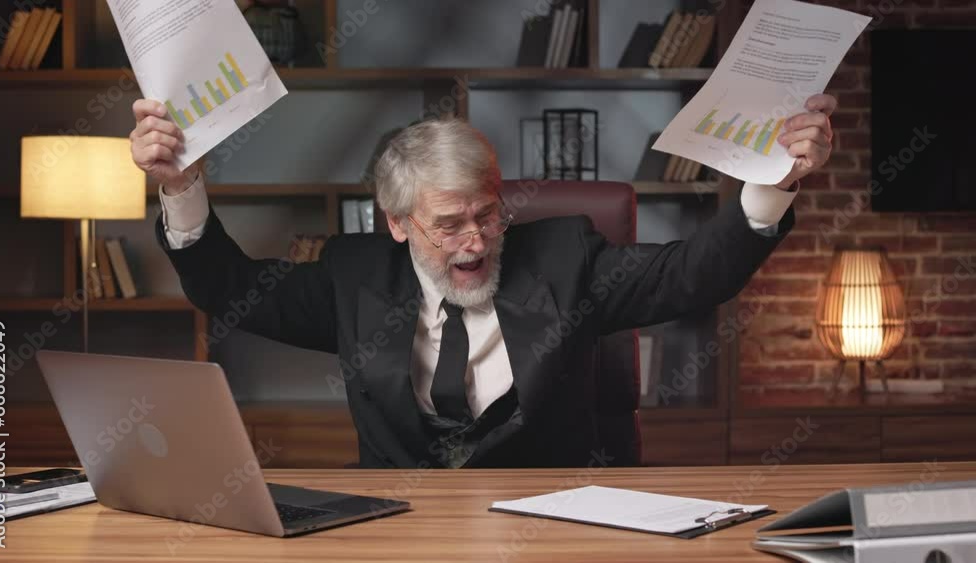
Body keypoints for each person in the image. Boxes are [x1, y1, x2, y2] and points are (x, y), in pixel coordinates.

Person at [129, 94, 835, 469]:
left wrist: (770, 186)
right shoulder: (353, 278)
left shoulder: (565, 260)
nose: (475, 240)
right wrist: (182, 185)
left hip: (550, 529)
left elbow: (690, 276)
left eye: (488, 216)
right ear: (398, 222)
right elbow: (228, 286)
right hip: (400, 537)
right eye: (450, 223)